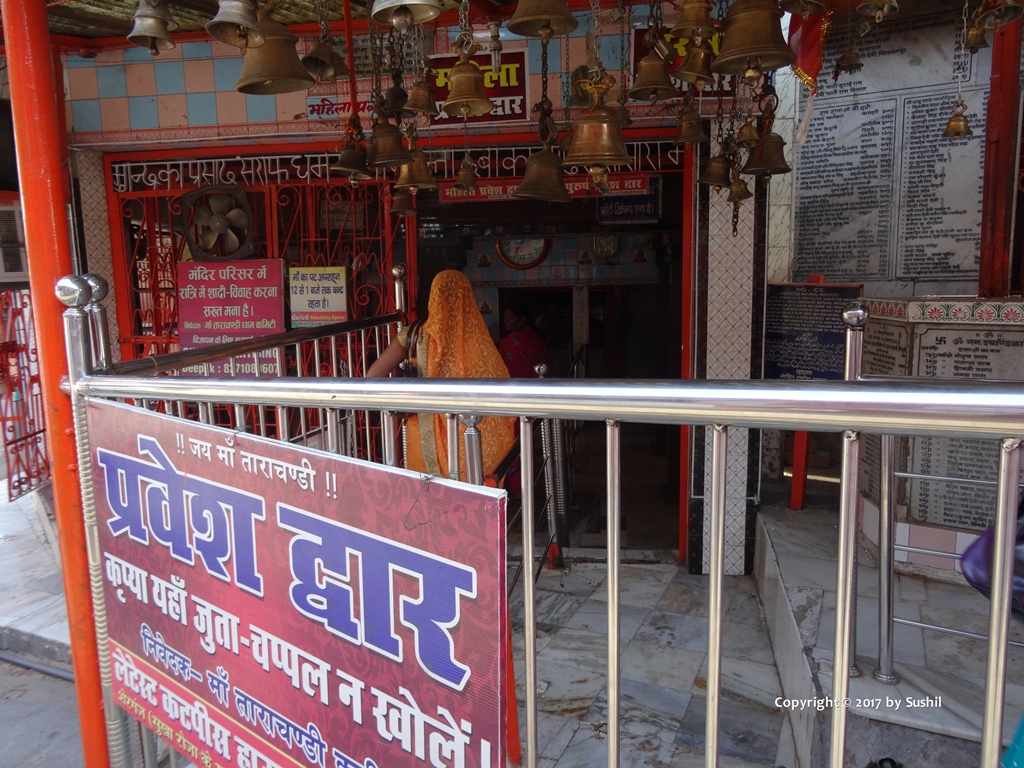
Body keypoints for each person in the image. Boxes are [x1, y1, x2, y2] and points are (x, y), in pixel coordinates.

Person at [367, 270, 516, 477]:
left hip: (421, 433)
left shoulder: (413, 335)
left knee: (427, 499)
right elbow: (501, 390)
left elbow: (372, 377)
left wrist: (405, 399)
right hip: (470, 434)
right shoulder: (480, 340)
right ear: (467, 297)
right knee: (472, 494)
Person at [499, 300, 548, 378]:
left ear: (522, 319)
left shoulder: (536, 340)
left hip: (533, 386)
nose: (506, 320)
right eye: (505, 316)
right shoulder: (506, 342)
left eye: (510, 317)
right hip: (511, 386)